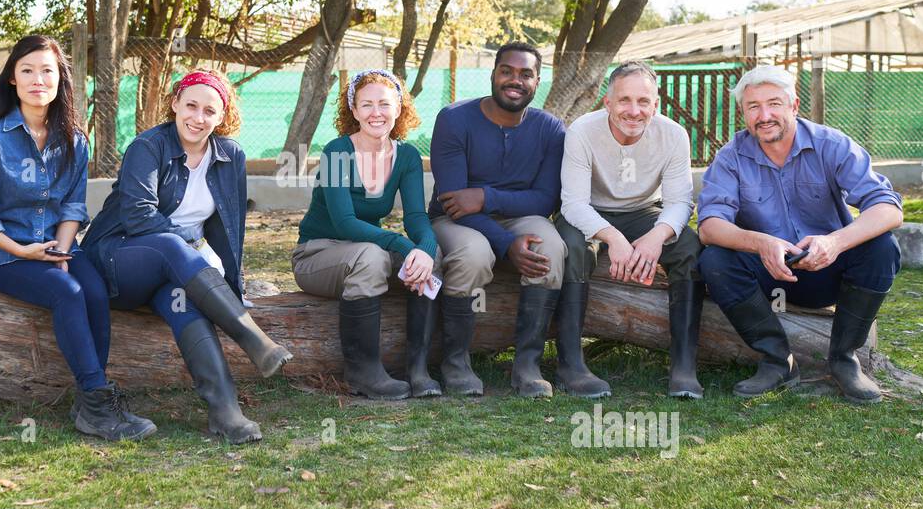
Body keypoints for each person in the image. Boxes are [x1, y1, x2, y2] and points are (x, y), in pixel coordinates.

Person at [0, 34, 155, 442]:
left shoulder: (74, 140)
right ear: (12, 79)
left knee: (96, 292)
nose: (37, 79)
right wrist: (22, 250)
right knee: (67, 292)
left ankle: (90, 400)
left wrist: (62, 250)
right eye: (27, 70)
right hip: (2, 253)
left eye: (46, 70)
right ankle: (99, 402)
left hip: (54, 243)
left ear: (60, 78)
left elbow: (72, 208)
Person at [81, 69, 292, 443]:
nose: (198, 117)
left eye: (209, 110)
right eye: (190, 105)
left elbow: (230, 231)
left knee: (185, 307)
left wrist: (230, 288)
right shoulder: (148, 147)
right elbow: (140, 216)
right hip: (116, 263)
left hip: (172, 273)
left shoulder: (230, 156)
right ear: (174, 104)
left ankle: (226, 414)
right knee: (171, 246)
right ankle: (254, 340)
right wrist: (194, 249)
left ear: (223, 115)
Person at [697, 65, 903, 402]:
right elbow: (709, 226)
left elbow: (889, 209)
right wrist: (760, 242)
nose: (764, 115)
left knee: (883, 247)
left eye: (774, 104)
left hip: (829, 271)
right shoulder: (730, 157)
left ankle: (843, 359)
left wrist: (834, 242)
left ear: (793, 106)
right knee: (715, 258)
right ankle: (778, 361)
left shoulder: (831, 144)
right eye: (753, 107)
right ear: (743, 114)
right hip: (768, 276)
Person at [556, 61, 703, 398]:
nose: (634, 111)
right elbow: (573, 203)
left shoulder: (674, 134)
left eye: (643, 101)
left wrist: (656, 237)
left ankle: (683, 367)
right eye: (624, 100)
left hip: (643, 212)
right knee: (573, 250)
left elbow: (680, 202)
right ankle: (571, 365)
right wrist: (613, 238)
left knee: (690, 249)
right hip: (588, 211)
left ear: (656, 104)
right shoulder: (582, 130)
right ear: (607, 103)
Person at [428, 42, 567, 398]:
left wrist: (487, 196)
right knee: (473, 254)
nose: (515, 80)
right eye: (507, 71)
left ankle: (527, 365)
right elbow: (454, 202)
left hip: (521, 217)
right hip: (455, 221)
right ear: (493, 74)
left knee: (549, 246)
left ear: (537, 82)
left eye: (526, 74)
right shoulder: (454, 119)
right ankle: (456, 362)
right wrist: (505, 244)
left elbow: (546, 199)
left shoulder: (551, 129)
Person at [292, 69, 442, 399]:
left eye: (385, 104)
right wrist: (403, 245)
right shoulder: (336, 152)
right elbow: (345, 223)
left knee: (430, 254)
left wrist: (426, 246)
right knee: (375, 254)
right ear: (354, 111)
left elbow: (416, 217)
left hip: (364, 252)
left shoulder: (407, 156)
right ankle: (363, 372)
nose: (377, 113)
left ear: (399, 108)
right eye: (367, 105)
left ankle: (418, 369)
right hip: (317, 255)